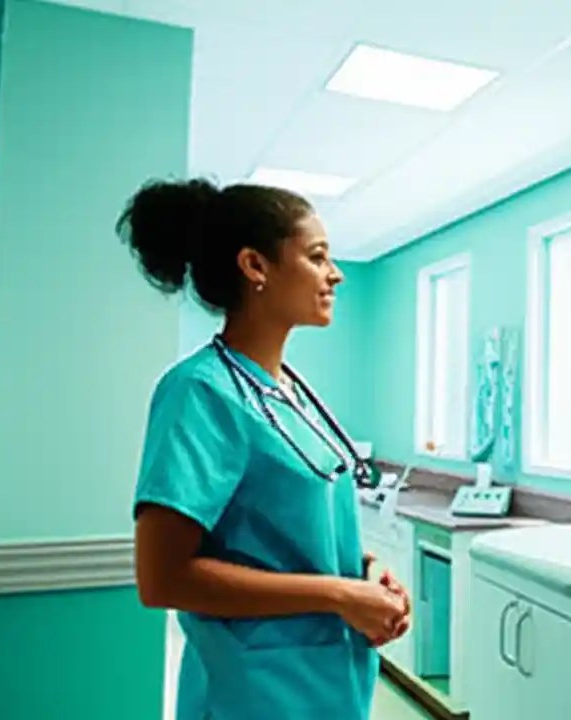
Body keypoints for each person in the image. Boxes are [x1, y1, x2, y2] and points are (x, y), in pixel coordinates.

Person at [119, 177, 411, 720]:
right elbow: (163, 577)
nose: (336, 273)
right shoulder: (200, 392)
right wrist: (339, 596)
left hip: (331, 686)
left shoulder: (291, 394)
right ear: (256, 266)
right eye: (317, 256)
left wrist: (366, 573)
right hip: (254, 694)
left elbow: (286, 532)